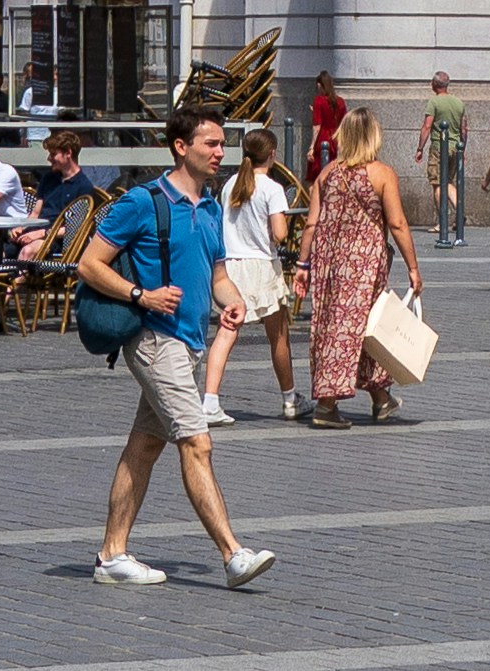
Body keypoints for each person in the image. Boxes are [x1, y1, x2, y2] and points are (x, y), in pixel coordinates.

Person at [77, 95, 275, 590]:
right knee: (197, 441)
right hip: (153, 341)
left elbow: (217, 274)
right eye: (211, 143)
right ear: (181, 147)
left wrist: (232, 301)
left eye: (222, 143)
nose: (220, 152)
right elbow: (89, 264)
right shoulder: (143, 203)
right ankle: (232, 554)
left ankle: (111, 555)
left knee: (144, 446)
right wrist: (140, 294)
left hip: (190, 345)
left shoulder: (210, 207)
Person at [301, 99, 419, 421]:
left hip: (329, 261)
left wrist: (302, 264)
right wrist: (413, 268)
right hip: (364, 263)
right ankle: (327, 404)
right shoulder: (382, 173)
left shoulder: (327, 174)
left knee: (354, 325)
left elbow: (311, 223)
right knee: (347, 327)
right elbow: (397, 224)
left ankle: (381, 397)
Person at [203, 131, 294, 416]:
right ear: (272, 154)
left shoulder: (231, 184)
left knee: (226, 332)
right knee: (278, 336)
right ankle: (290, 398)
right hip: (262, 266)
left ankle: (210, 400)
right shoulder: (272, 188)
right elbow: (280, 233)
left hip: (230, 265)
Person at [419, 75, 467, 253]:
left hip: (440, 147)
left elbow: (427, 126)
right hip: (455, 148)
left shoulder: (434, 102)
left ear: (434, 84)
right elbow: (464, 129)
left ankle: (443, 222)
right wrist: (463, 149)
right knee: (447, 181)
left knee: (438, 183)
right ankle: (459, 213)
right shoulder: (458, 102)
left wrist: (420, 148)